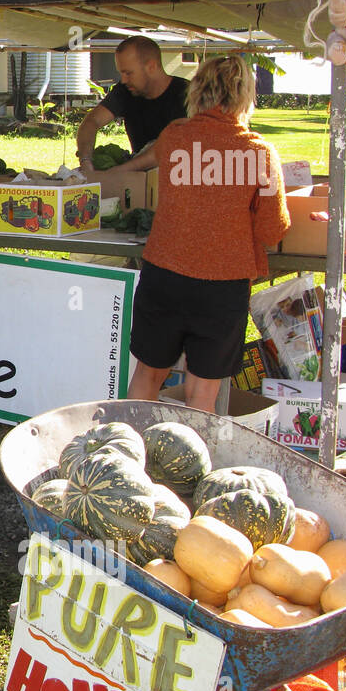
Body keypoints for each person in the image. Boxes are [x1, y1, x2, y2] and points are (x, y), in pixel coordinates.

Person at [126, 56, 290, 413]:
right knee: (202, 392)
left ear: (197, 89)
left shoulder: (174, 137)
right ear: (246, 94)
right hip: (223, 283)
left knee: (148, 373)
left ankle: (129, 448)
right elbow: (272, 229)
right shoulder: (259, 152)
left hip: (164, 272)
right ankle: (192, 465)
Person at [76, 35, 189, 173]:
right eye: (121, 73)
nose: (123, 80)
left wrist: (120, 171)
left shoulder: (187, 94)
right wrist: (85, 160)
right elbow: (92, 121)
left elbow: (166, 147)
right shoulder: (126, 91)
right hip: (139, 180)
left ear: (151, 67)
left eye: (128, 73)